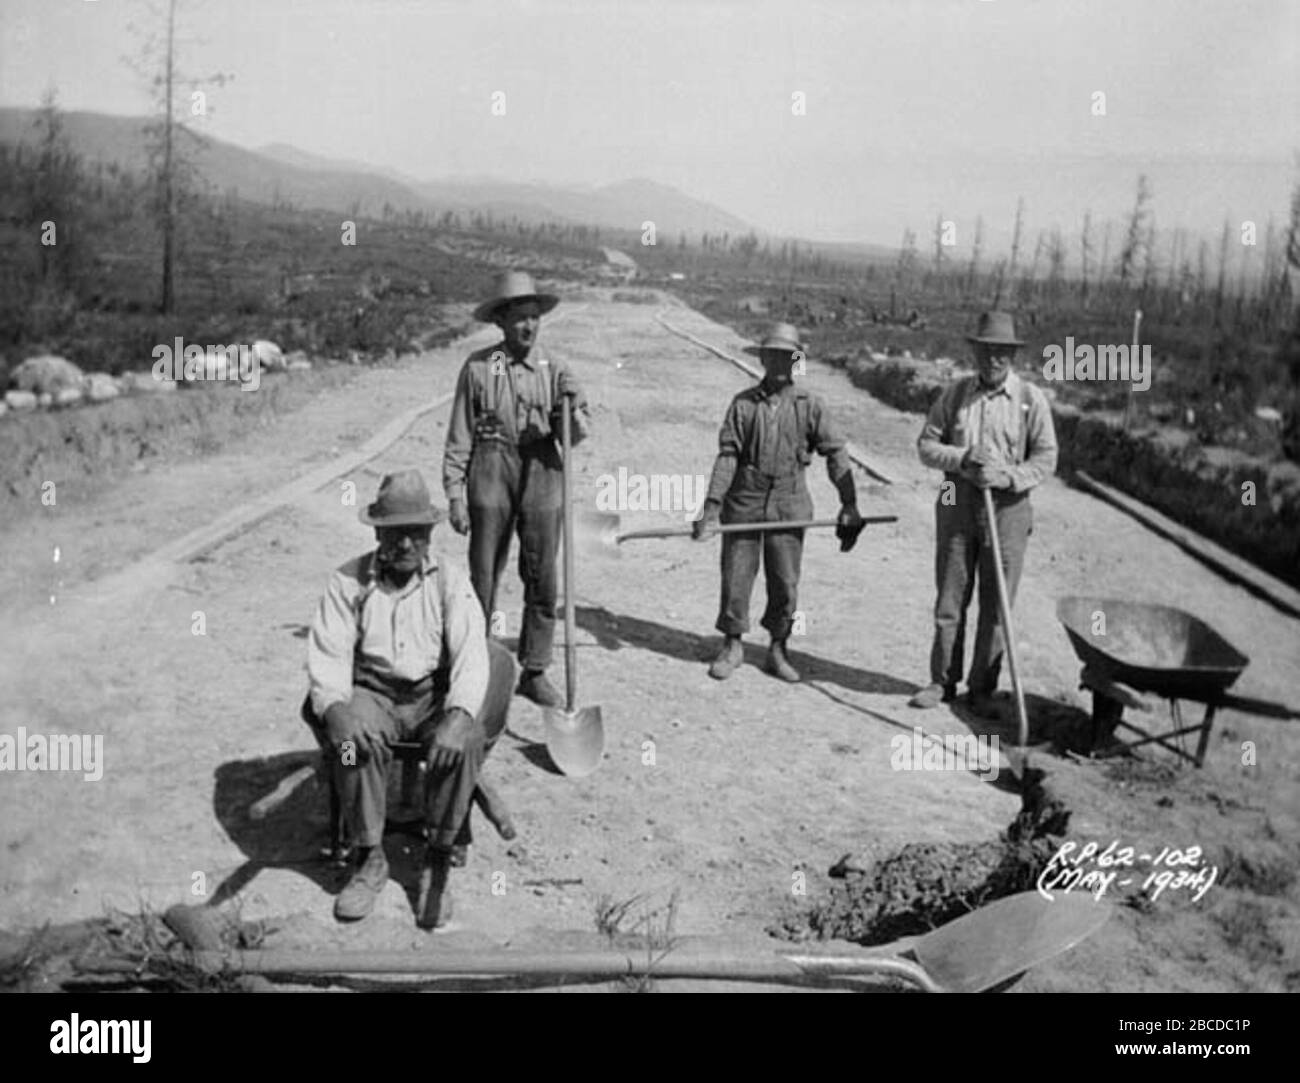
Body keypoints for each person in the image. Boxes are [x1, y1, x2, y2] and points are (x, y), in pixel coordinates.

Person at [303, 469, 516, 928]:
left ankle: (436, 858)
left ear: (428, 535)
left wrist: (458, 718)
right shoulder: (348, 582)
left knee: (467, 738)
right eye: (395, 534)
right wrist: (337, 711)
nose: (404, 545)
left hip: (430, 695)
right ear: (378, 532)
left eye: (415, 534)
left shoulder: (450, 582)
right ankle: (369, 856)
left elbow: (472, 657)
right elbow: (328, 652)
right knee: (348, 744)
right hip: (371, 692)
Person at [442, 271, 591, 709]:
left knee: (544, 577)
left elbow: (577, 436)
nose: (528, 327)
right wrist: (455, 493)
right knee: (483, 575)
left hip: (544, 470)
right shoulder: (477, 368)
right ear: (501, 322)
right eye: (519, 319)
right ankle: (475, 664)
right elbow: (459, 435)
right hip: (491, 468)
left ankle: (536, 669)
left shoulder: (557, 369)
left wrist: (568, 412)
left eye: (534, 318)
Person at [693, 322, 862, 682]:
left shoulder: (810, 405)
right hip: (745, 501)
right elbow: (727, 457)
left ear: (796, 360)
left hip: (790, 502)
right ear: (763, 359)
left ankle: (778, 648)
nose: (780, 364)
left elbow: (836, 454)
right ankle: (733, 643)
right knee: (736, 574)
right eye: (773, 356)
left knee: (785, 581)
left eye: (788, 357)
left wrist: (849, 504)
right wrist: (710, 508)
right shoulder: (743, 405)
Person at [910, 311, 1058, 715]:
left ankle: (982, 688)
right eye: (987, 351)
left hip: (1008, 510)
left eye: (1002, 353)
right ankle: (942, 681)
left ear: (1012, 356)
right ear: (976, 351)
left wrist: (1007, 477)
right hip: (957, 502)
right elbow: (926, 446)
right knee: (950, 597)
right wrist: (962, 458)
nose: (994, 360)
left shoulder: (1030, 401)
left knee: (997, 605)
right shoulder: (955, 395)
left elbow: (1047, 459)